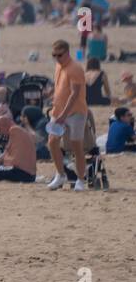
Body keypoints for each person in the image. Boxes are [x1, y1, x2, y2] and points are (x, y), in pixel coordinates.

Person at [46, 39, 90, 191]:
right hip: (58, 111)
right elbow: (59, 86)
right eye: (54, 55)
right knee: (52, 142)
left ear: (67, 52)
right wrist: (51, 94)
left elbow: (74, 94)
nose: (57, 58)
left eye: (60, 55)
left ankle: (81, 180)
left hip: (75, 113)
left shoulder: (75, 68)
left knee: (76, 146)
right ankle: (60, 175)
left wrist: (63, 115)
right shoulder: (59, 66)